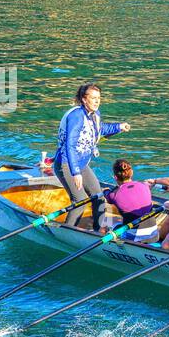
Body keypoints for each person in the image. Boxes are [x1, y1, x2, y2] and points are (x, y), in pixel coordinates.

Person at [54, 82, 131, 230]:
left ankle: (98, 230)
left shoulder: (95, 115)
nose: (97, 101)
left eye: (99, 98)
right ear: (84, 99)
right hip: (67, 164)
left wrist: (119, 126)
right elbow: (70, 145)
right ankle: (68, 232)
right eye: (93, 98)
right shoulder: (76, 116)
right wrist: (75, 172)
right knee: (81, 200)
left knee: (98, 196)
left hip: (82, 164)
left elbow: (100, 129)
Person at [103, 159, 154, 226]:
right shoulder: (145, 186)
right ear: (132, 172)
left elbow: (106, 193)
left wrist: (105, 190)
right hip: (154, 232)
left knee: (111, 224)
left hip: (134, 235)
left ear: (115, 177)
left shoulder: (113, 195)